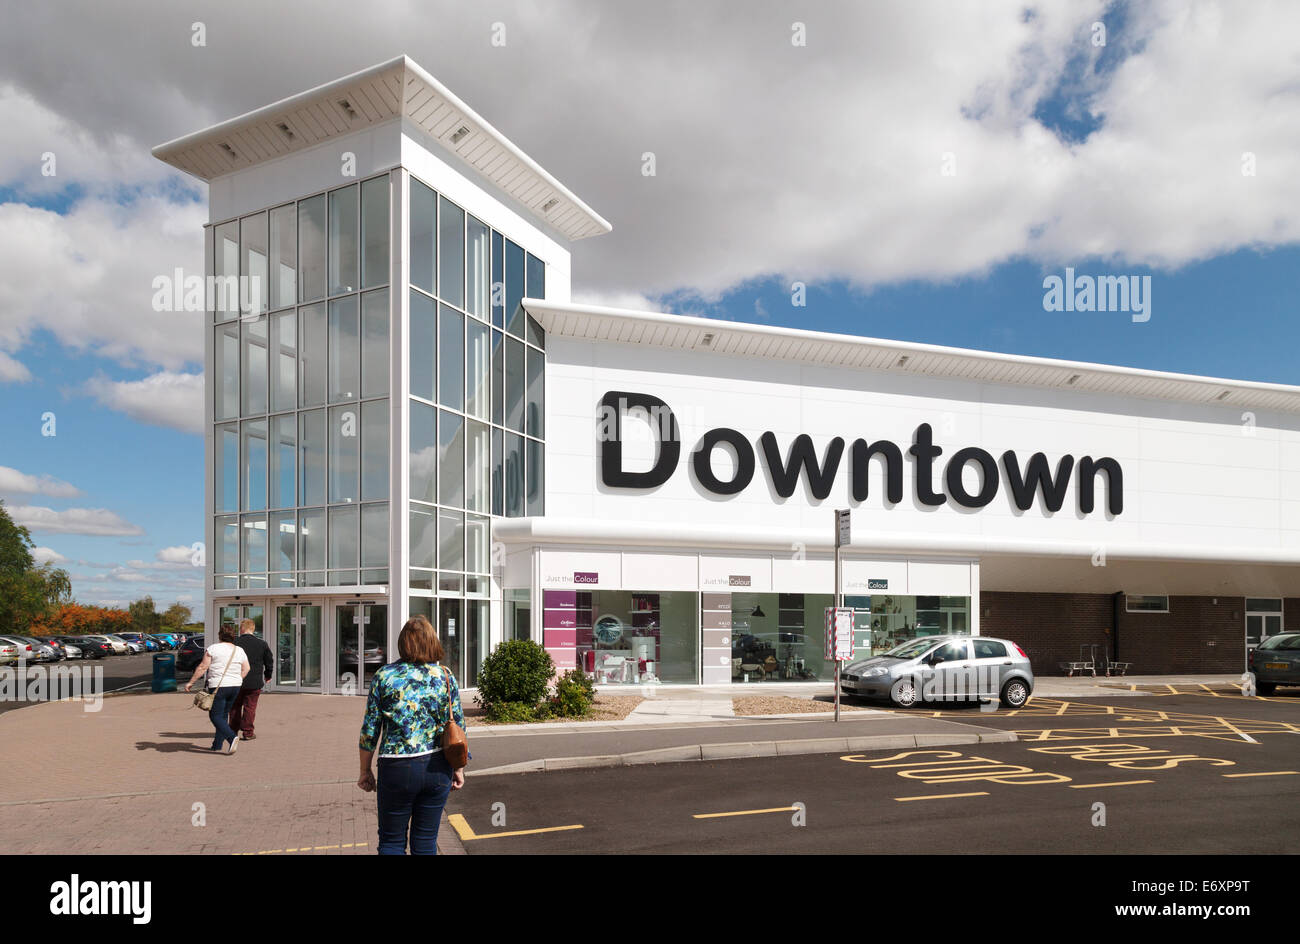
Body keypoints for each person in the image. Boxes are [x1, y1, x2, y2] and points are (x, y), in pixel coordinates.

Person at [357, 615, 466, 854]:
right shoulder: (445, 676)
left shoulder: (385, 676)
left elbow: (369, 731)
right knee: (426, 841)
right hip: (438, 766)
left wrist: (365, 770)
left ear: (403, 643)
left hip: (396, 768)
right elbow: (458, 726)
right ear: (431, 642)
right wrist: (458, 768)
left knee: (391, 842)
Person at [184, 625, 249, 754]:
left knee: (214, 716)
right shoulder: (239, 650)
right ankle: (217, 745)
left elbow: (203, 667)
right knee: (224, 715)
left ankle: (232, 737)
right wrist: (237, 679)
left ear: (220, 635)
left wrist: (191, 682)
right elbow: (246, 668)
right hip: (235, 686)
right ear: (233, 636)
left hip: (218, 686)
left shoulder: (213, 649)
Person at [229, 618, 274, 740]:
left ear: (241, 629)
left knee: (234, 707)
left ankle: (232, 731)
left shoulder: (233, 642)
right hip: (254, 681)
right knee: (250, 707)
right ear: (253, 629)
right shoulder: (262, 644)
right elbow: (269, 661)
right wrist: (268, 675)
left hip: (235, 680)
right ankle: (248, 732)